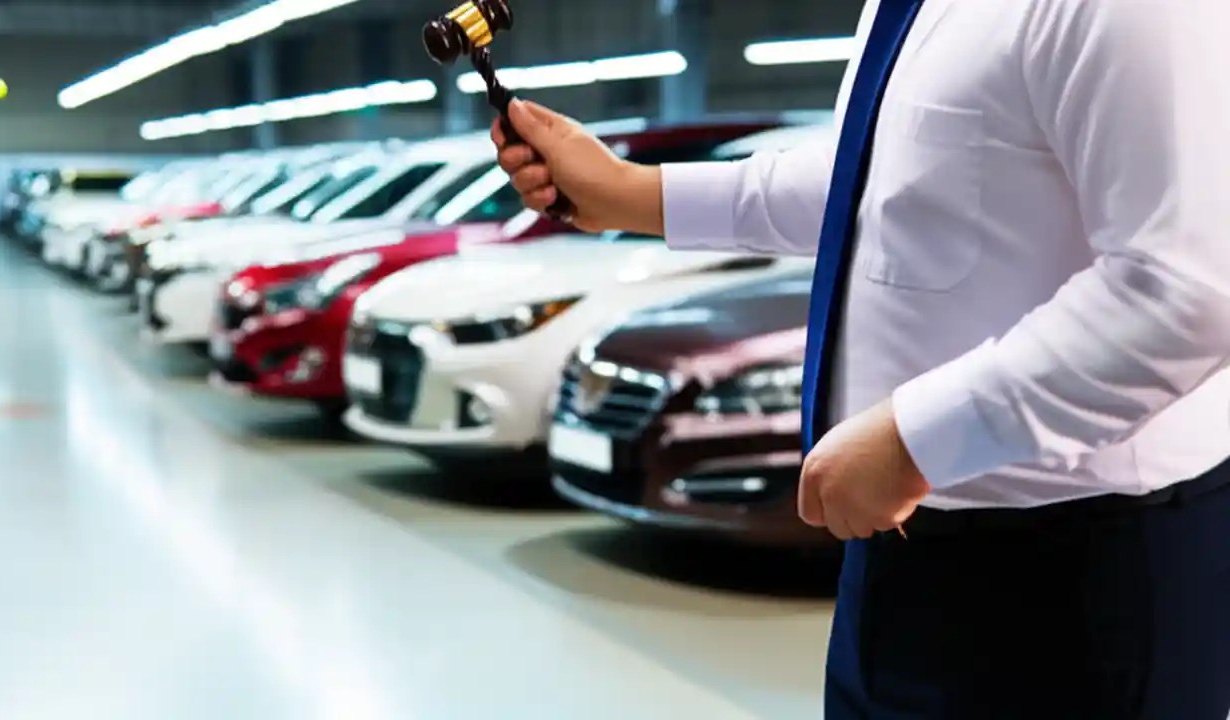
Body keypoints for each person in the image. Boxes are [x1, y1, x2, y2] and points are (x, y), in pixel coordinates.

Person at [492, 0, 1230, 717]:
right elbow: (879, 180)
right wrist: (637, 194)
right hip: (904, 556)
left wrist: (917, 440)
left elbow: (1186, 290)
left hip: (1082, 579)